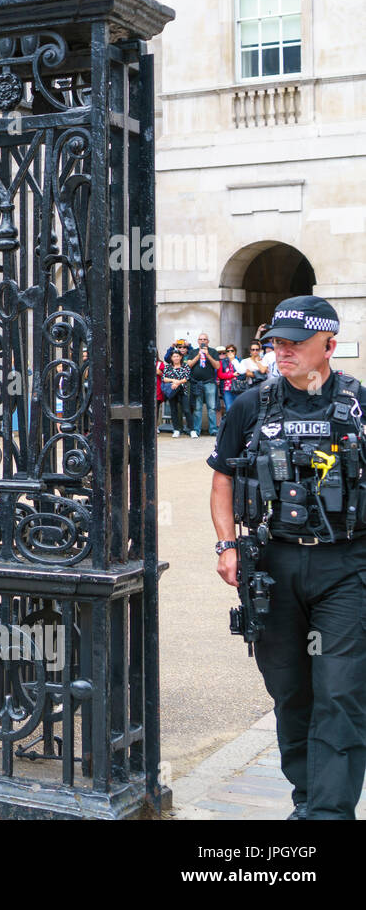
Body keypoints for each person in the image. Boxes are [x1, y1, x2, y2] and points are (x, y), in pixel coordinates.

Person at [209, 295, 366, 819]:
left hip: (346, 566)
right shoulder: (251, 403)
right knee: (291, 690)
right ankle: (308, 798)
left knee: (340, 692)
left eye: (295, 343)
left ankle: (328, 813)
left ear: (330, 345)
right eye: (277, 342)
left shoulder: (359, 403)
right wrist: (227, 544)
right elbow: (224, 478)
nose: (283, 351)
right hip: (272, 567)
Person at [186, 331, 222, 438]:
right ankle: (196, 430)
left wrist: (208, 355)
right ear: (198, 341)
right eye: (201, 339)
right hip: (196, 383)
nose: (202, 341)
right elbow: (189, 365)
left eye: (204, 339)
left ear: (208, 341)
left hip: (209, 382)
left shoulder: (213, 351)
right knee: (197, 408)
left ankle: (213, 430)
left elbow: (217, 366)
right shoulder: (193, 352)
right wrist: (199, 355)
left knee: (211, 407)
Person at [161, 349, 190, 437]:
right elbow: (164, 378)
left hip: (183, 391)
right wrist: (173, 380)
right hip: (172, 391)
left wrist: (177, 383)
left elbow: (186, 378)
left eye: (177, 356)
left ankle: (191, 429)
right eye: (174, 356)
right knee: (173, 411)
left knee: (186, 410)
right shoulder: (167, 367)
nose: (176, 358)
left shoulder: (185, 366)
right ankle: (176, 430)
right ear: (171, 358)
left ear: (181, 357)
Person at [217, 344, 239, 420]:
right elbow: (220, 375)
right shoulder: (222, 362)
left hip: (238, 388)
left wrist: (229, 374)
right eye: (228, 351)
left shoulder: (239, 361)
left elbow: (242, 374)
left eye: (232, 351)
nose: (230, 352)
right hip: (226, 389)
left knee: (238, 408)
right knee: (229, 408)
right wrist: (232, 375)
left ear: (235, 352)